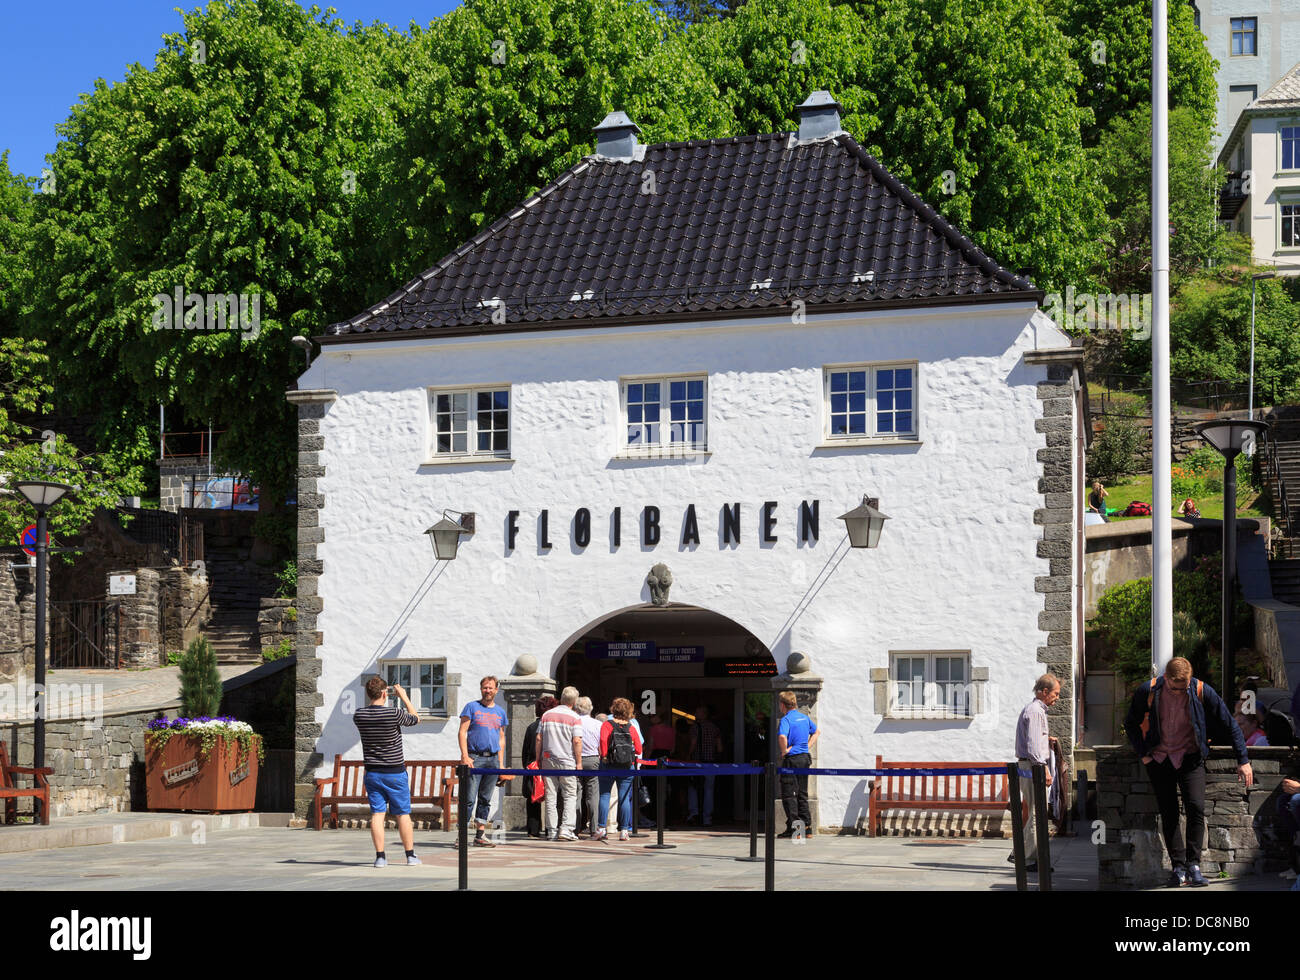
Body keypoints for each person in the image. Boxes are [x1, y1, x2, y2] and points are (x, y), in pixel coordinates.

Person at [1124, 656, 1253, 887]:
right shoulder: (1149, 690)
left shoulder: (1201, 690)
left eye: (1184, 686)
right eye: (1175, 687)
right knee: (1169, 811)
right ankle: (1178, 867)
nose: (1179, 691)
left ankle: (1194, 865)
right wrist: (1144, 753)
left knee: (1196, 807)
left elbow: (1229, 723)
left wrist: (1243, 759)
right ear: (1166, 679)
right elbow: (1130, 722)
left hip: (1190, 757)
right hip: (1159, 759)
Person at [352, 675, 421, 867]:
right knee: (402, 814)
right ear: (385, 693)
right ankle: (410, 856)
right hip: (395, 771)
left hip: (373, 772)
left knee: (377, 814)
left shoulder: (359, 715)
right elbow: (416, 719)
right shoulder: (393, 713)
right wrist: (404, 697)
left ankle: (380, 857)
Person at [1010, 673, 1058, 874]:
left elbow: (1033, 740)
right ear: (1044, 691)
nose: (1057, 697)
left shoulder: (1033, 710)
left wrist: (1046, 741)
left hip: (1028, 766)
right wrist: (1044, 767)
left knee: (1033, 812)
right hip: (1033, 767)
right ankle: (1027, 859)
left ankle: (1022, 854)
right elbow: (1032, 746)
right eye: (1055, 693)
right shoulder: (1036, 712)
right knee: (1036, 813)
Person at [458, 675, 508, 847]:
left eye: (490, 688)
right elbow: (462, 732)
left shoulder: (500, 712)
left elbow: (501, 738)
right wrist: (465, 756)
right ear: (481, 689)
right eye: (484, 687)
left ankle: (480, 834)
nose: (487, 690)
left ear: (496, 690)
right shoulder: (471, 707)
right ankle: (462, 835)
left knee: (486, 799)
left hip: (492, 759)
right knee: (469, 798)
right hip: (475, 757)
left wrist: (500, 763)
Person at [536, 685, 583, 842]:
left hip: (548, 759)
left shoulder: (547, 715)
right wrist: (579, 762)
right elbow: (577, 740)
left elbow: (538, 738)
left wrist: (538, 758)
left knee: (551, 795)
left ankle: (551, 830)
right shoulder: (574, 717)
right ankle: (566, 828)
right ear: (574, 701)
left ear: (562, 698)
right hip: (567, 760)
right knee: (570, 794)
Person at [597, 697, 644, 841]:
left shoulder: (607, 724)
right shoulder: (631, 726)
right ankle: (624, 830)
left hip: (608, 764)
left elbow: (603, 740)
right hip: (627, 766)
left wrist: (604, 755)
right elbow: (638, 748)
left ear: (613, 709)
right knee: (624, 797)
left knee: (604, 795)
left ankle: (601, 828)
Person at [776, 690, 818, 838]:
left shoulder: (786, 719)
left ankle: (795, 829)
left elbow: (782, 736)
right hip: (804, 758)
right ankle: (807, 827)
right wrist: (807, 745)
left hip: (792, 760)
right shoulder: (804, 717)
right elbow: (817, 732)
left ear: (782, 705)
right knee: (802, 793)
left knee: (789, 794)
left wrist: (783, 751)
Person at [521, 694, 556, 838]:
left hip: (533, 765)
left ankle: (533, 830)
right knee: (552, 798)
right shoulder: (553, 725)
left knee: (533, 798)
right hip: (550, 763)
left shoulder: (532, 726)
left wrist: (527, 765)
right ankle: (550, 828)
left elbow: (525, 750)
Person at [687, 705, 724, 826]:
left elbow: (693, 743)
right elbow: (720, 747)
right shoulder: (714, 728)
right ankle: (707, 817)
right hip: (711, 761)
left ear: (703, 714)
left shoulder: (694, 727)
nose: (695, 714)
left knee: (693, 787)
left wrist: (688, 756)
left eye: (697, 712)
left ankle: (694, 813)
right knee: (709, 789)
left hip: (697, 761)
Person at [575, 696, 603, 838]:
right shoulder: (597, 724)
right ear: (590, 708)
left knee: (577, 794)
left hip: (576, 760)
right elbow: (601, 745)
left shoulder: (575, 722)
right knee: (593, 796)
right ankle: (593, 827)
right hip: (593, 759)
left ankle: (576, 827)